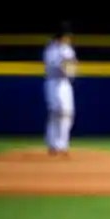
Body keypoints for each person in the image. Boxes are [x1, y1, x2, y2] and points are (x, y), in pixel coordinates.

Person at [43, 25, 78, 156]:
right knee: (56, 112)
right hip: (53, 82)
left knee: (68, 113)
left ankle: (63, 144)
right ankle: (53, 144)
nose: (68, 38)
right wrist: (66, 63)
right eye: (66, 35)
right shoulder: (51, 49)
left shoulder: (68, 49)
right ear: (60, 36)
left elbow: (72, 65)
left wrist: (71, 71)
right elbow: (55, 66)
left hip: (65, 84)